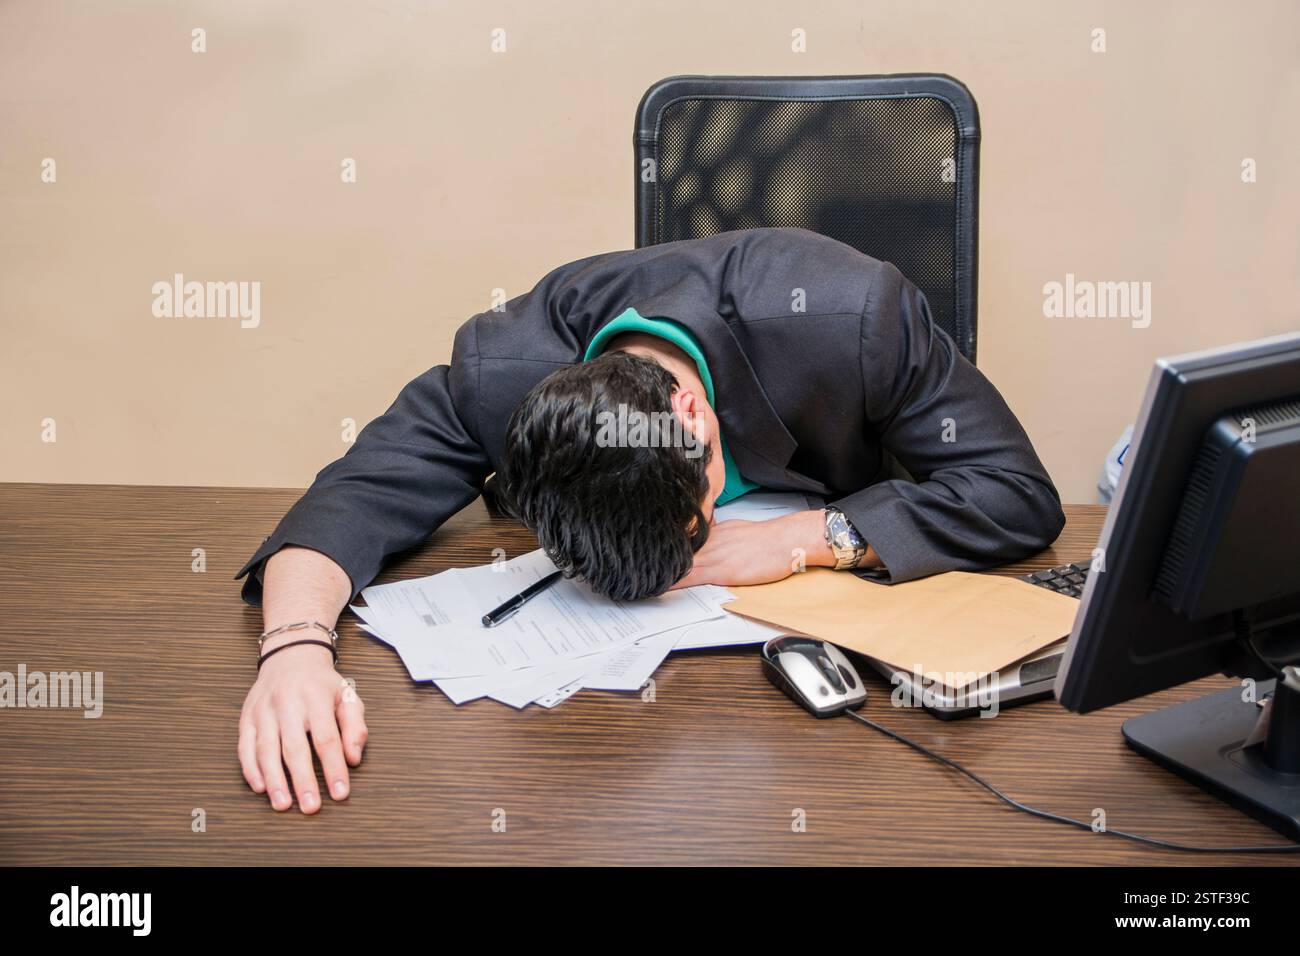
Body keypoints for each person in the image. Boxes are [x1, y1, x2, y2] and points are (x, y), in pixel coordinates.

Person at [234, 226, 1065, 813]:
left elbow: (1016, 491)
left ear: (695, 419)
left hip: (823, 736)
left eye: (694, 534)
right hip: (623, 730)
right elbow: (350, 497)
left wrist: (808, 538)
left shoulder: (854, 318)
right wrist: (295, 650)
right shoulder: (500, 373)